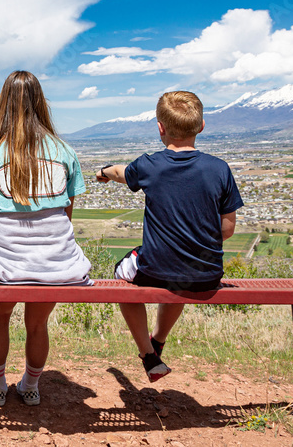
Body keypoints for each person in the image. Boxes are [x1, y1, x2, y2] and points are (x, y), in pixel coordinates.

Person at [96, 91, 244, 383]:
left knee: (120, 276)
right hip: (205, 274)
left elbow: (118, 171)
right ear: (201, 126)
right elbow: (227, 229)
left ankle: (148, 354)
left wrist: (102, 172)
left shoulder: (150, 166)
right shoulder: (219, 169)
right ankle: (159, 339)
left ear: (160, 127)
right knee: (182, 274)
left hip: (155, 270)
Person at [0, 70, 91, 409]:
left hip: (7, 262)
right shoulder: (64, 150)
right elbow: (67, 216)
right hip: (56, 264)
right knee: (38, 323)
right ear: (41, 104)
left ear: (2, 105)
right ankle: (32, 385)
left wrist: (1, 253)